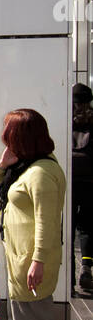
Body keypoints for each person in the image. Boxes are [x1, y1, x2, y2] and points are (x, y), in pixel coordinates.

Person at [0, 109, 66, 320]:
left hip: (30, 261)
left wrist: (38, 262)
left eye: (9, 134)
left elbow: (48, 223)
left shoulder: (41, 174)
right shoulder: (25, 166)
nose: (4, 140)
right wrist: (2, 163)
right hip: (20, 257)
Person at [71, 84, 93, 293]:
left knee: (68, 228)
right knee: (86, 228)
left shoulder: (66, 118)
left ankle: (68, 280)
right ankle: (86, 267)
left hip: (70, 182)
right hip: (90, 183)